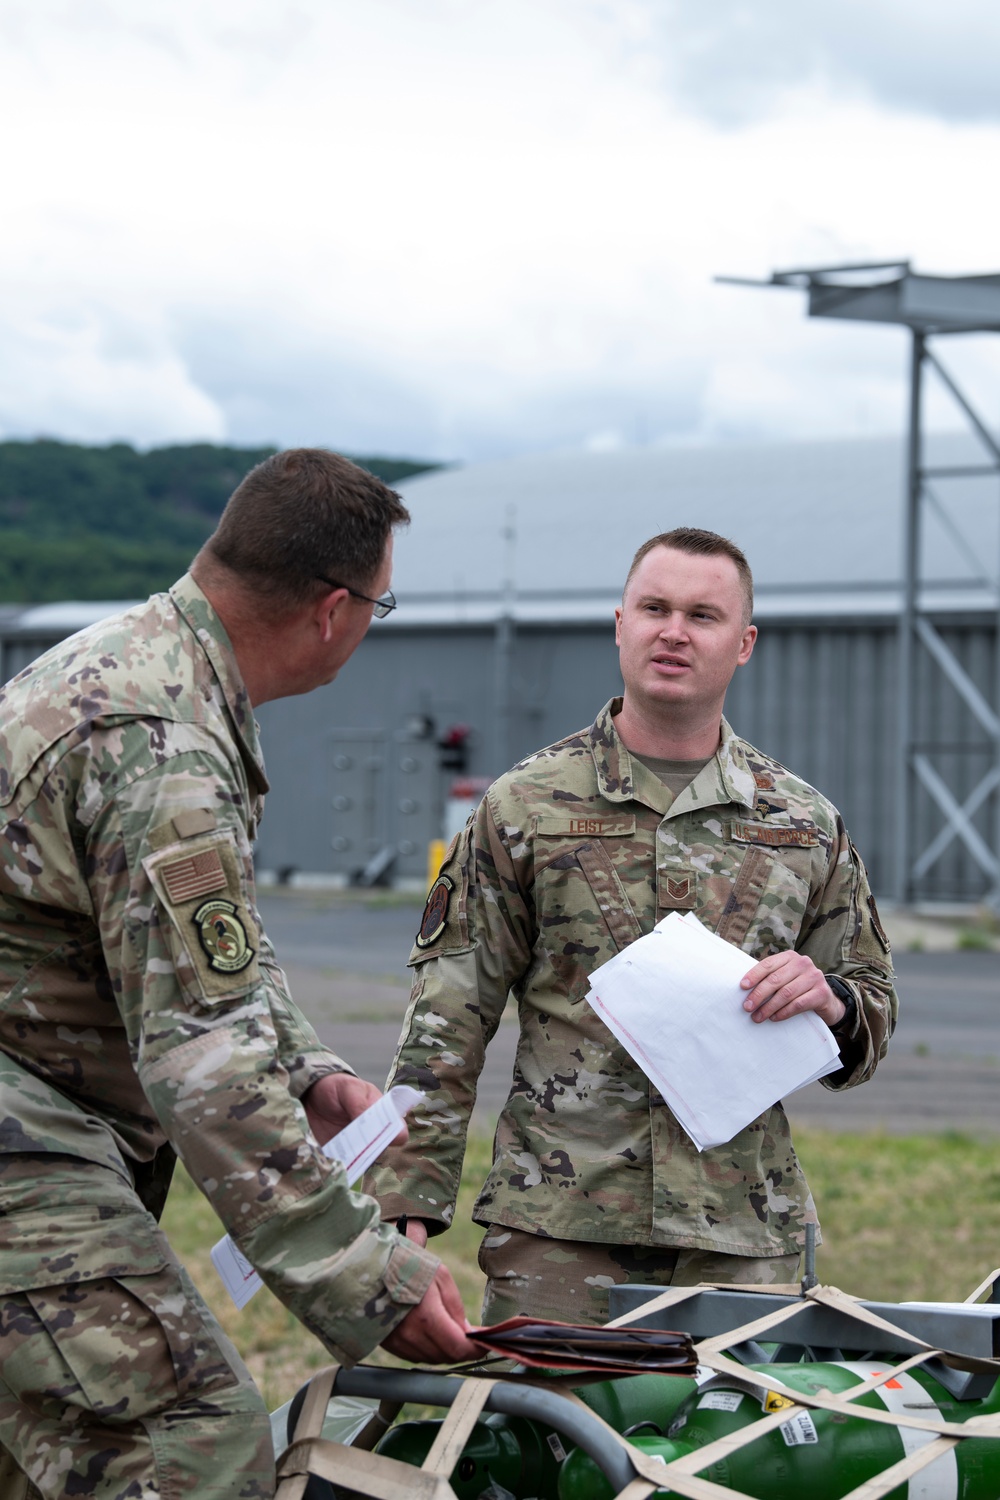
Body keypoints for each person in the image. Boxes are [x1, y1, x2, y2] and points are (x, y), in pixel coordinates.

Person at [0, 448, 480, 1500]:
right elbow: (202, 1062)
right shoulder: (160, 743)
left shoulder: (147, 671)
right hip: (22, 1138)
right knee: (191, 1444)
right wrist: (367, 1278)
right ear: (331, 609)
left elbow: (199, 954)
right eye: (380, 606)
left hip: (40, 1120)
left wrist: (307, 1069)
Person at [367, 528, 898, 1325]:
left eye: (702, 615)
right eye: (654, 608)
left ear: (744, 643)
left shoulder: (802, 822)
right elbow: (448, 1017)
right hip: (561, 1232)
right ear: (621, 625)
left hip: (741, 1234)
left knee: (729, 1449)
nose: (673, 631)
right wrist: (408, 1198)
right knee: (548, 1444)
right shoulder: (526, 807)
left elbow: (871, 1012)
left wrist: (831, 1003)